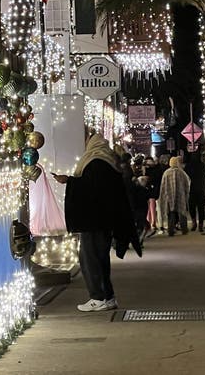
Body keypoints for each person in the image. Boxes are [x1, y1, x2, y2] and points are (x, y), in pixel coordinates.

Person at [53, 133, 142, 312]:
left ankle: (98, 297)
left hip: (93, 221)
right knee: (100, 259)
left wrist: (69, 181)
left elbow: (90, 189)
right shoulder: (108, 161)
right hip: (104, 221)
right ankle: (108, 297)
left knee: (90, 259)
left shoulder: (96, 162)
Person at [157, 156, 191, 236]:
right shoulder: (181, 172)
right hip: (180, 194)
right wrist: (186, 192)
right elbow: (187, 182)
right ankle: (184, 229)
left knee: (171, 213)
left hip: (169, 195)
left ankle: (170, 230)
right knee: (182, 212)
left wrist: (163, 195)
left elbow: (163, 185)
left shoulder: (166, 173)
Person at [185, 147, 205, 232]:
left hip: (191, 189)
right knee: (201, 207)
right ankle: (201, 225)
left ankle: (194, 223)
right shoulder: (202, 166)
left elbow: (186, 177)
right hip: (201, 189)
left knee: (192, 207)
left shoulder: (188, 166)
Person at [143, 156, 161, 238]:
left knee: (149, 207)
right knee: (152, 207)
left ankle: (151, 222)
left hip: (148, 191)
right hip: (153, 191)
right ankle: (152, 223)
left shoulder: (146, 170)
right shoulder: (157, 169)